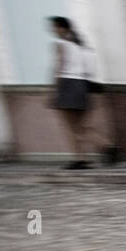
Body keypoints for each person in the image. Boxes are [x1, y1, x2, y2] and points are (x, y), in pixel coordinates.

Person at [48, 16, 100, 169]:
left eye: (54, 27)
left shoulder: (60, 44)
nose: (53, 30)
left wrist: (54, 89)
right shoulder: (80, 46)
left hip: (67, 85)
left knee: (71, 127)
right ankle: (107, 146)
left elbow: (58, 67)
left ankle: (80, 159)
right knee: (82, 126)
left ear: (62, 28)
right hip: (81, 85)